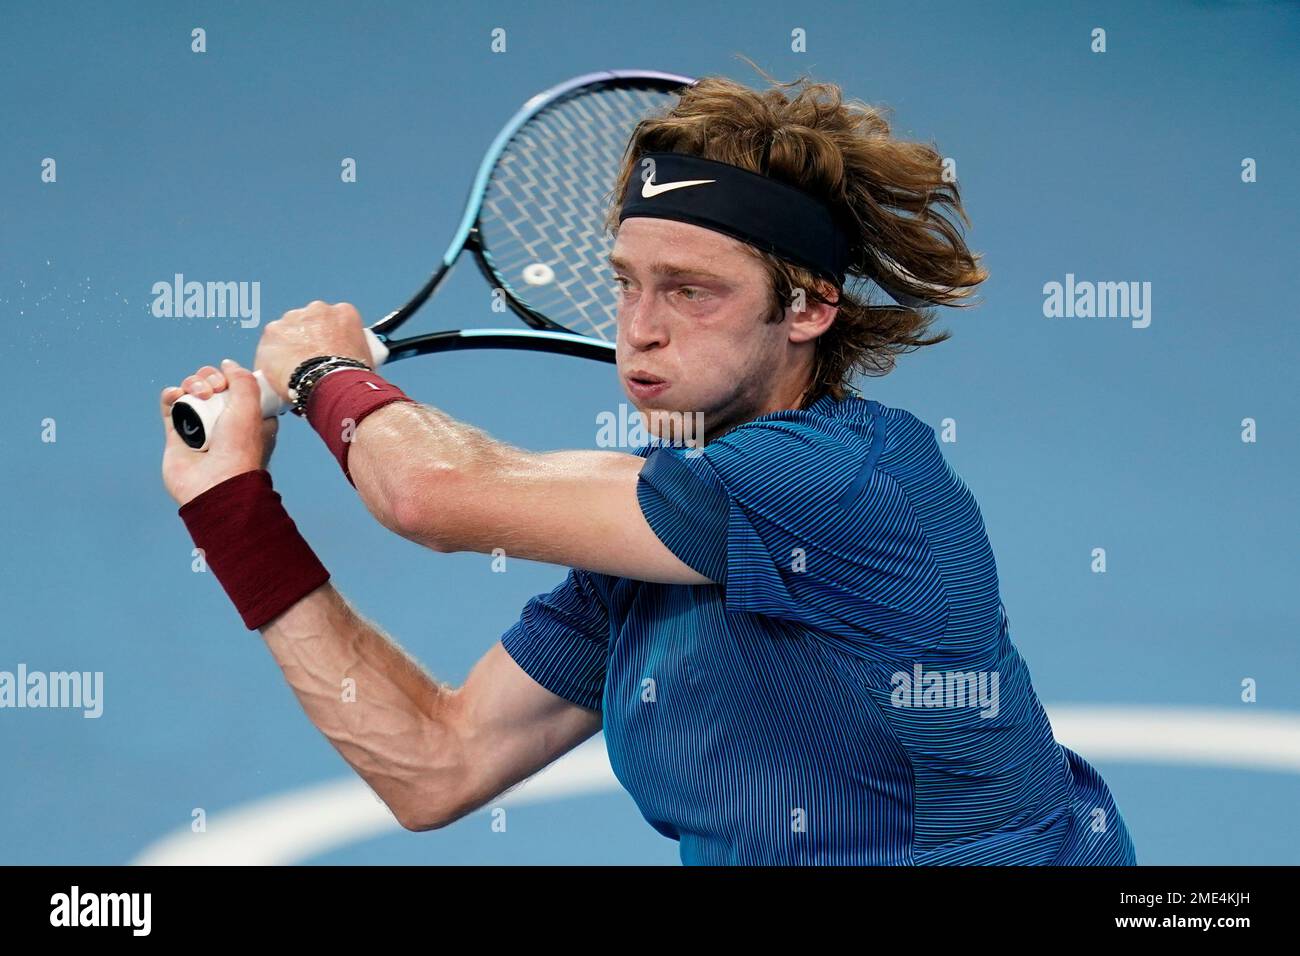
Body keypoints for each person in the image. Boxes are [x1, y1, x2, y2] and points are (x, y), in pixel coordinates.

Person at [159, 73, 1136, 865]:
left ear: (807, 310)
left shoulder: (842, 483)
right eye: (626, 281)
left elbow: (429, 492)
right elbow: (435, 764)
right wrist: (233, 510)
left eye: (691, 291)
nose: (640, 328)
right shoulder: (653, 541)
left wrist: (328, 372)